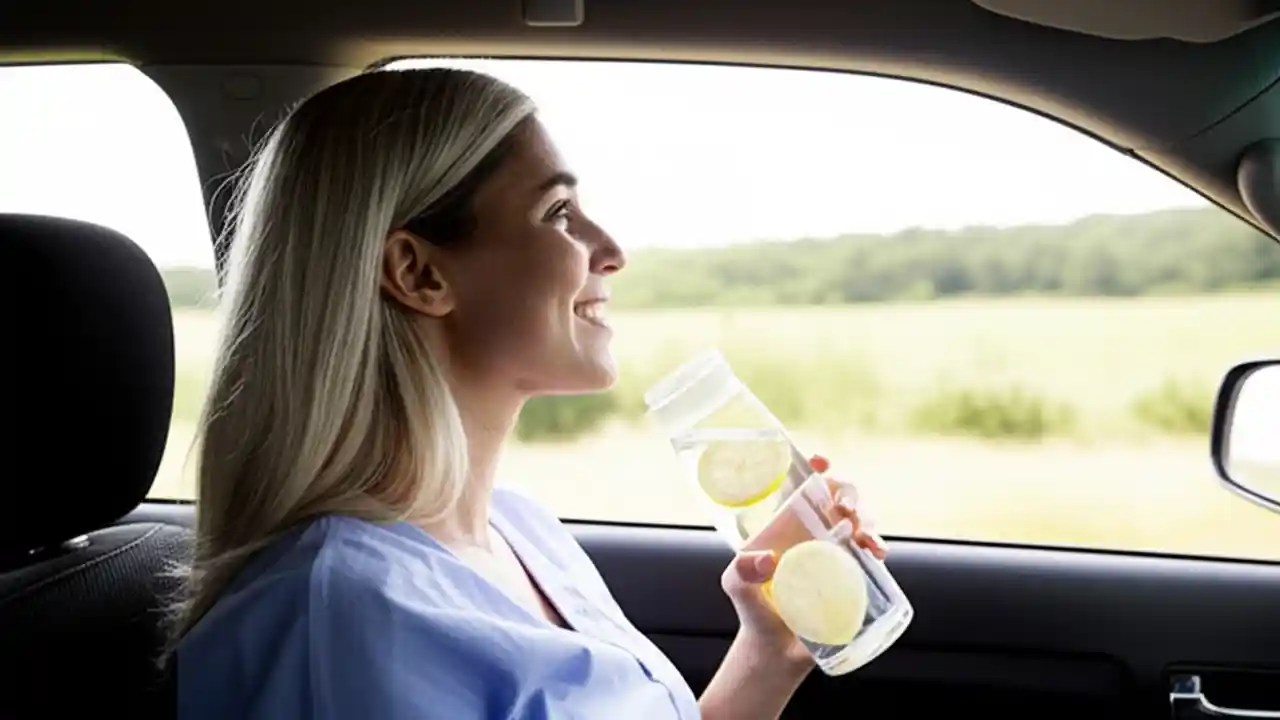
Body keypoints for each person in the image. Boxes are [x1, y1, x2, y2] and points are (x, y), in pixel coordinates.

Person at [168, 66, 888, 720]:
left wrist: (767, 655)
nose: (612, 251)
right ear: (420, 274)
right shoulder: (339, 621)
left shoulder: (520, 531)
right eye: (558, 214)